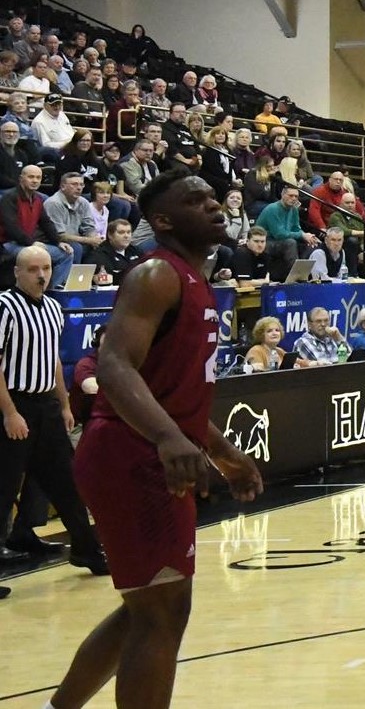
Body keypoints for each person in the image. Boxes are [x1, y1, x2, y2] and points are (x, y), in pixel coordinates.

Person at [51, 170, 263, 708]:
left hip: (146, 451)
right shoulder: (156, 274)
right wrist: (169, 439)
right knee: (162, 612)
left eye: (213, 197)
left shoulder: (196, 280)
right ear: (163, 220)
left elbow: (172, 394)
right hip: (129, 453)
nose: (213, 206)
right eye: (196, 200)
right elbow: (115, 365)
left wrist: (224, 453)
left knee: (146, 608)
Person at [0, 245, 108, 576]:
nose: (41, 275)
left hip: (46, 404)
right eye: (33, 269)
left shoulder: (52, 308)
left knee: (67, 480)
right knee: (4, 486)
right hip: (13, 403)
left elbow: (53, 361)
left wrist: (63, 404)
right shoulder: (5, 306)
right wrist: (9, 413)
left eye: (46, 268)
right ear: (17, 272)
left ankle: (87, 550)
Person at [1, 164, 76, 288]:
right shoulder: (9, 198)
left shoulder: (38, 199)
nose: (35, 180)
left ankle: (49, 291)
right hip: (9, 244)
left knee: (66, 254)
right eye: (31, 177)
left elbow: (46, 223)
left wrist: (58, 242)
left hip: (27, 244)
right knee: (37, 254)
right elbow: (11, 227)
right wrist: (32, 243)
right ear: (21, 179)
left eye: (38, 177)